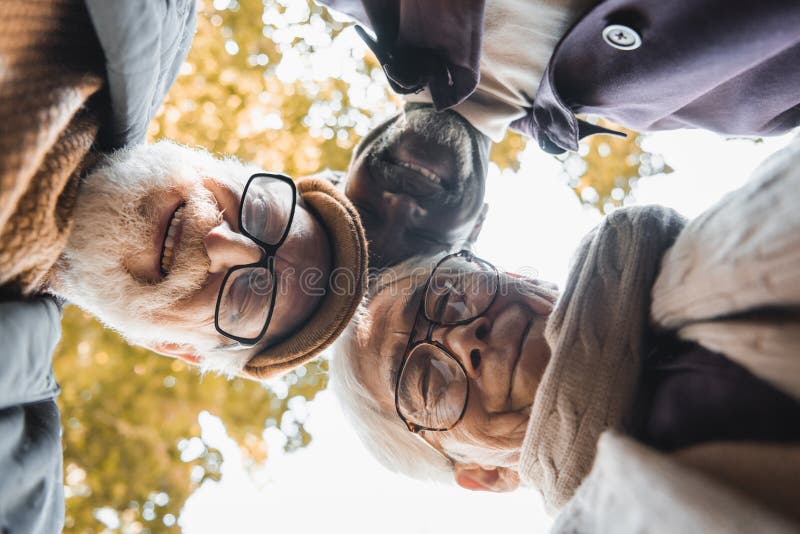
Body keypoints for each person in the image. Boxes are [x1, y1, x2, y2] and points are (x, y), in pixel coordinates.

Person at [332, 138, 800, 530]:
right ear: (486, 475)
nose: (461, 340)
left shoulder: (703, 243)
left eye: (450, 296)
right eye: (429, 384)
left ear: (520, 276)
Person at [319, 0, 800, 268]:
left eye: (364, 218)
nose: (403, 206)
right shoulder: (741, 103)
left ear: (342, 185)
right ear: (476, 228)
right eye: (423, 238)